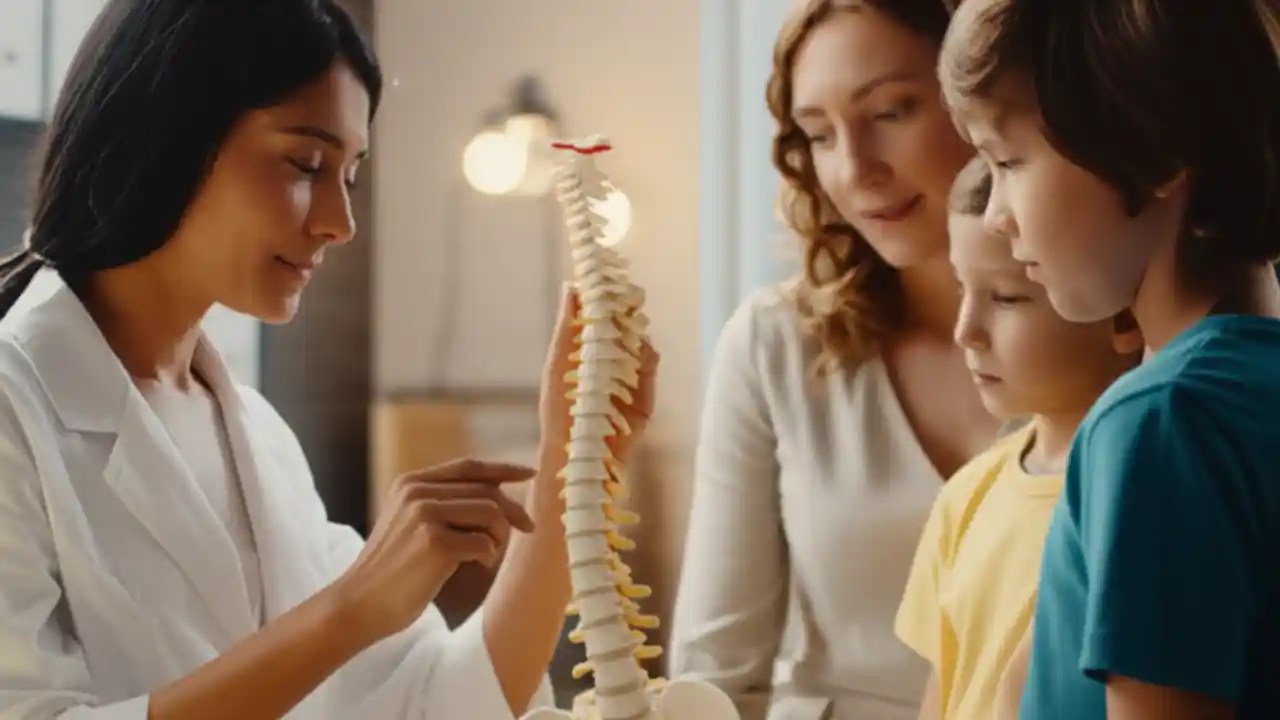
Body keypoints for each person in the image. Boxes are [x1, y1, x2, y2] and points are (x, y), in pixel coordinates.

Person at [0, 2, 657, 718]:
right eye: (306, 163)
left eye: (350, 176)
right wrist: (349, 610)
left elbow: (435, 702)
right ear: (167, 135)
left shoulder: (253, 432)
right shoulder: (16, 407)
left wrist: (576, 459)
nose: (339, 224)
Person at [939, 0, 1280, 717]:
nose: (998, 214)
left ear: (1151, 149)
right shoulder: (1231, 397)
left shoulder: (1163, 421)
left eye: (1008, 161)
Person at [668, 2, 1000, 717]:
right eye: (818, 135)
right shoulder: (775, 345)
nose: (855, 171)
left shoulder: (1113, 335)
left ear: (982, 97)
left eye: (890, 112)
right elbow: (715, 674)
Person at [893, 157, 1141, 720]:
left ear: (1122, 316)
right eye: (962, 289)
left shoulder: (1140, 491)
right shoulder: (968, 496)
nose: (966, 330)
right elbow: (943, 693)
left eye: (1007, 297)